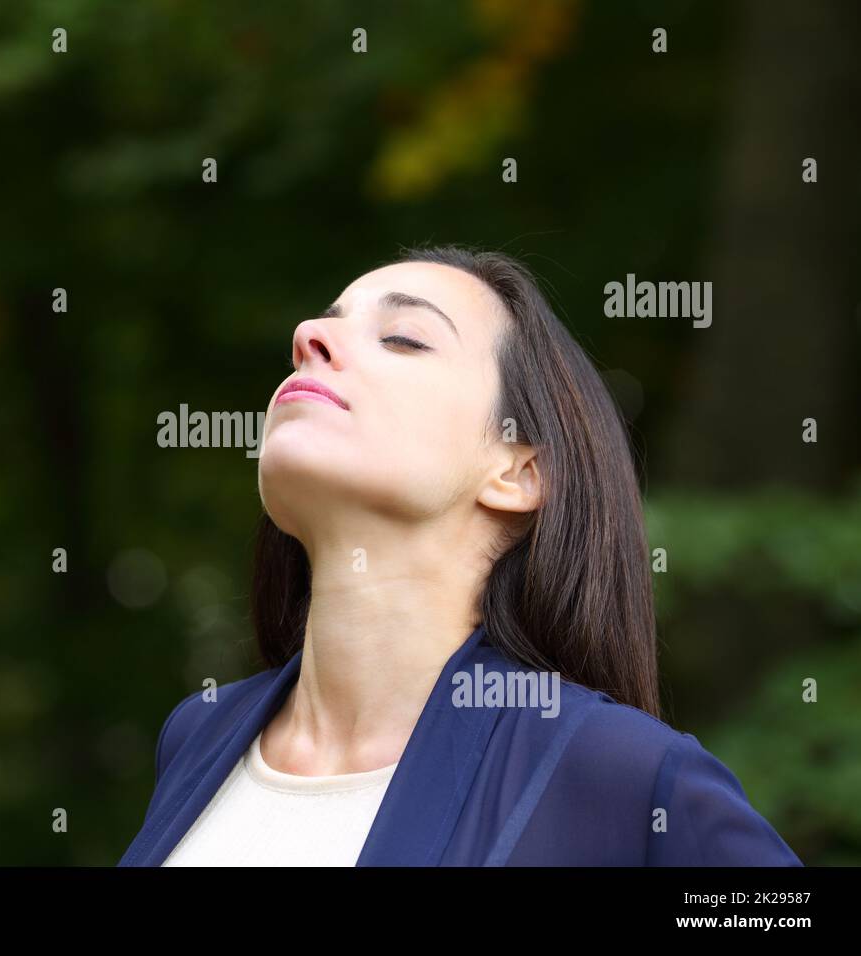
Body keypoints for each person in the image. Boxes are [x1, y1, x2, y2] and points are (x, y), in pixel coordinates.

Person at [118, 245, 802, 866]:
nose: (307, 337)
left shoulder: (619, 776)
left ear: (518, 472)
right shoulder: (198, 736)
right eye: (322, 325)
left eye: (403, 338)